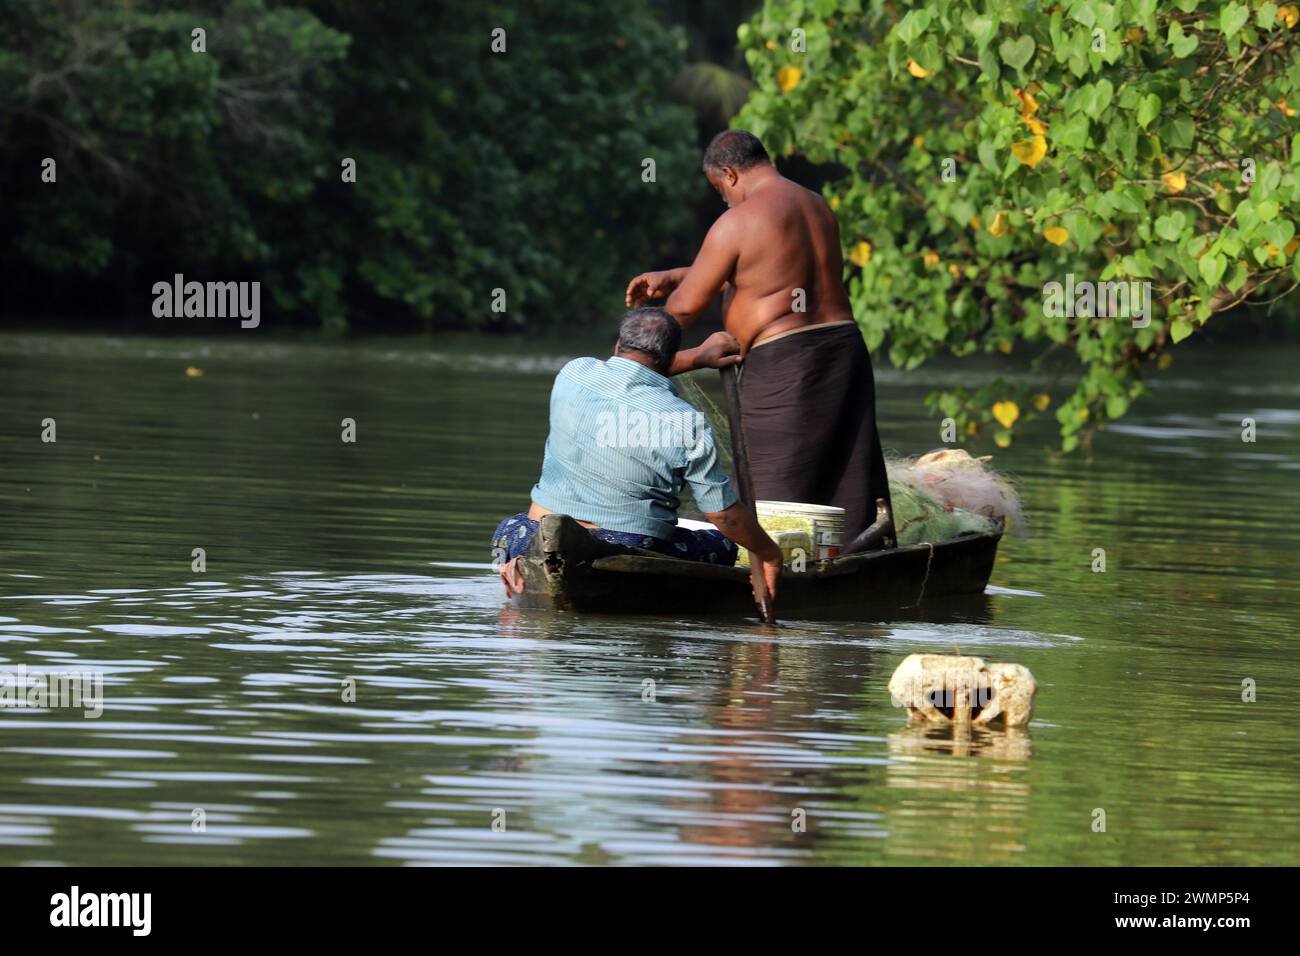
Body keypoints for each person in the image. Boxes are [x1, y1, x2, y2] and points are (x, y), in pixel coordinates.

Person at [625, 129, 892, 544]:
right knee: (847, 479)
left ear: (729, 174)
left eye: (719, 189)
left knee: (769, 491)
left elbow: (683, 310)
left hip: (787, 364)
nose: (723, 199)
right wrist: (678, 274)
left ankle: (766, 578)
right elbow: (767, 274)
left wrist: (636, 359)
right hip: (846, 351)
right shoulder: (815, 204)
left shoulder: (737, 221)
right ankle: (852, 565)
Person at [492, 307, 783, 598]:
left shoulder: (574, 374)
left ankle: (522, 598)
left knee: (510, 528)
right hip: (627, 545)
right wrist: (769, 553)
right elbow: (724, 516)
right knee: (722, 546)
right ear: (669, 358)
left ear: (618, 345)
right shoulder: (686, 421)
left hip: (534, 536)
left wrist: (698, 356)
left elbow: (631, 374)